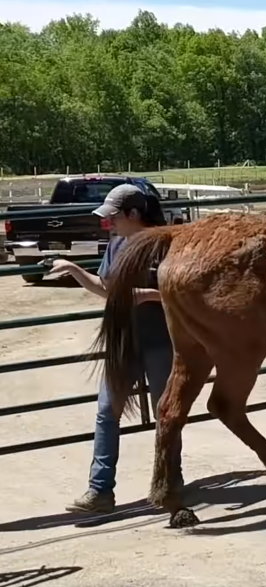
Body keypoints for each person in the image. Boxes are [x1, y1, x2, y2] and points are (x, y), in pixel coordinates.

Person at [50, 184, 179, 513]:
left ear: (133, 214)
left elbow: (186, 295)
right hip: (124, 341)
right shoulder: (116, 245)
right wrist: (76, 271)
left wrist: (148, 296)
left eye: (114, 217)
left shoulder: (165, 245)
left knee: (167, 414)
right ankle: (100, 490)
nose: (109, 223)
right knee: (107, 412)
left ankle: (170, 480)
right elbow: (107, 288)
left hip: (161, 340)